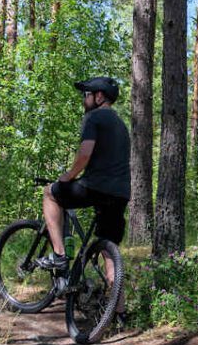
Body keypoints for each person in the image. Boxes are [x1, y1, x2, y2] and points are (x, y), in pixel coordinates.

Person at [37, 76, 131, 277]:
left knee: (50, 194)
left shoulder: (94, 117)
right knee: (109, 252)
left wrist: (68, 176)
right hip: (121, 193)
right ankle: (119, 308)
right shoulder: (122, 126)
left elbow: (85, 153)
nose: (83, 99)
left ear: (99, 97)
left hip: (96, 187)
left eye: (86, 94)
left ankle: (59, 255)